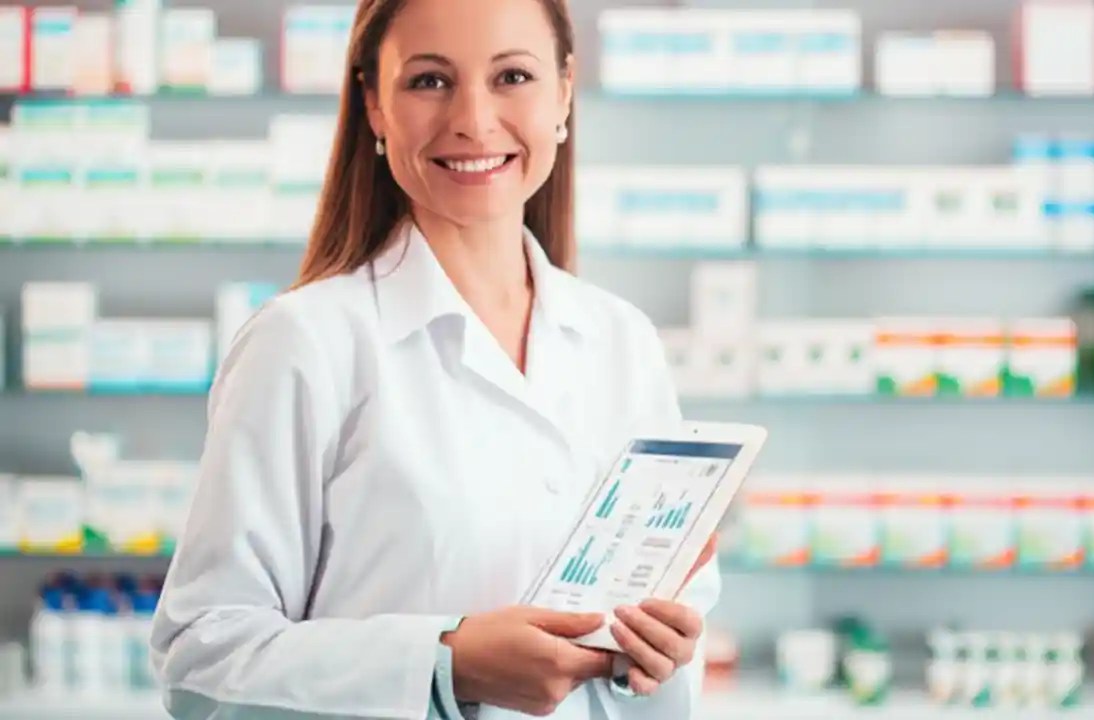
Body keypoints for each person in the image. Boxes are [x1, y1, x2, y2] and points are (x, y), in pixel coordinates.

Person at [148, 0, 720, 718]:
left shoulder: (621, 340)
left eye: (512, 75)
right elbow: (201, 656)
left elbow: (667, 646)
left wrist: (657, 650)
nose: (474, 121)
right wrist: (447, 662)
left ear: (565, 93)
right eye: (428, 81)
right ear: (373, 107)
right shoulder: (306, 342)